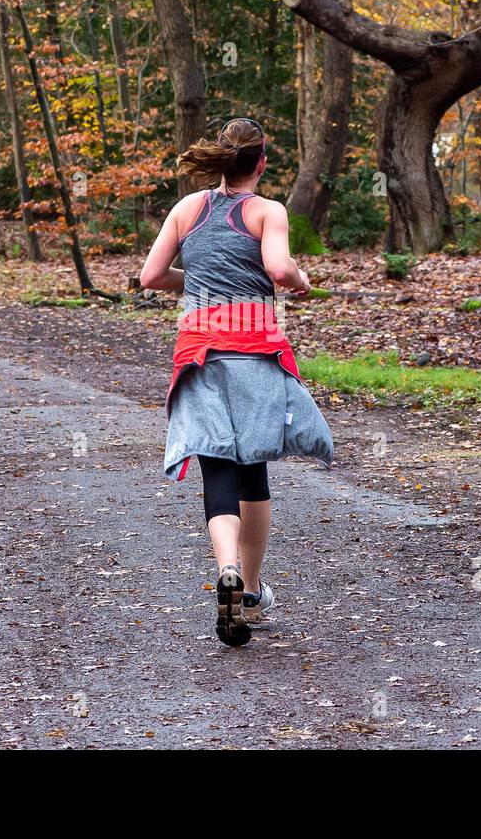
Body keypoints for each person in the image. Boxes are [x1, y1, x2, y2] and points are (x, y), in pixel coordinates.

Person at [139, 117, 334, 647]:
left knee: (217, 466)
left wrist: (196, 280)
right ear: (261, 164)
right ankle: (248, 591)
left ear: (222, 162)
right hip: (254, 353)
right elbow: (276, 268)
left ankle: (225, 570)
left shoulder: (187, 209)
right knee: (254, 469)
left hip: (198, 354)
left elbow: (150, 277)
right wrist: (301, 279)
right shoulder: (267, 210)